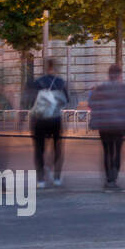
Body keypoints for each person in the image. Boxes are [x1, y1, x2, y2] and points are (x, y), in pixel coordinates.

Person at [89, 64, 125, 193]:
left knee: (107, 152)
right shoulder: (124, 89)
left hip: (104, 125)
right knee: (117, 152)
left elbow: (92, 104)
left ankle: (109, 180)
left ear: (109, 75)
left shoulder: (101, 88)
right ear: (120, 75)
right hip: (119, 125)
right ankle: (113, 180)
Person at [28, 59, 69, 189]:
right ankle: (56, 177)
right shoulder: (60, 82)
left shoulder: (38, 82)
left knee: (39, 149)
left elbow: (30, 102)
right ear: (55, 68)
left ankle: (41, 179)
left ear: (45, 68)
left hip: (39, 120)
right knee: (57, 148)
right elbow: (67, 100)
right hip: (55, 119)